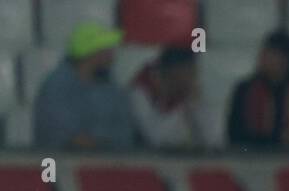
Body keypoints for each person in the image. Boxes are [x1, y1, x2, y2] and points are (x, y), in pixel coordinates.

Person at [33, 21, 135, 150]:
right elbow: (68, 138)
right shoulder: (56, 87)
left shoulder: (111, 86)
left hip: (113, 164)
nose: (113, 55)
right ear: (91, 52)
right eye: (107, 50)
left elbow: (124, 133)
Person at [226, 30, 289, 148]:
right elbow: (234, 133)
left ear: (286, 59)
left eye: (272, 54)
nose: (264, 59)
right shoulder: (245, 90)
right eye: (264, 53)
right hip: (252, 158)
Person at [130, 47, 221, 149]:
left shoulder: (191, 94)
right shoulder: (142, 90)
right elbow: (155, 138)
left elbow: (214, 139)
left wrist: (195, 105)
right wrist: (177, 104)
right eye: (186, 71)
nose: (192, 78)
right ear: (172, 72)